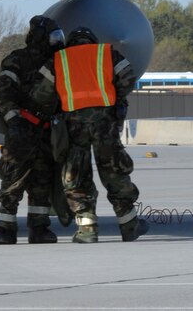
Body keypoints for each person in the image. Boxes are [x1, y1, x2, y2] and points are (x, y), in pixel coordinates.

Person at [31, 26, 149, 244]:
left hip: (73, 125)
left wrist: (59, 106)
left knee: (75, 174)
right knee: (114, 170)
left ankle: (87, 229)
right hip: (105, 122)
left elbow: (40, 94)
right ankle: (129, 224)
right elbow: (128, 77)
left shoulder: (59, 59)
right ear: (92, 40)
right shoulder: (106, 53)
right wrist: (114, 98)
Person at [0, 15, 66, 245]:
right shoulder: (16, 60)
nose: (57, 40)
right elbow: (5, 95)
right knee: (13, 181)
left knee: (42, 182)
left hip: (46, 131)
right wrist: (15, 123)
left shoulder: (58, 62)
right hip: (22, 130)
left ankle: (39, 227)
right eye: (53, 36)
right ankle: (5, 229)